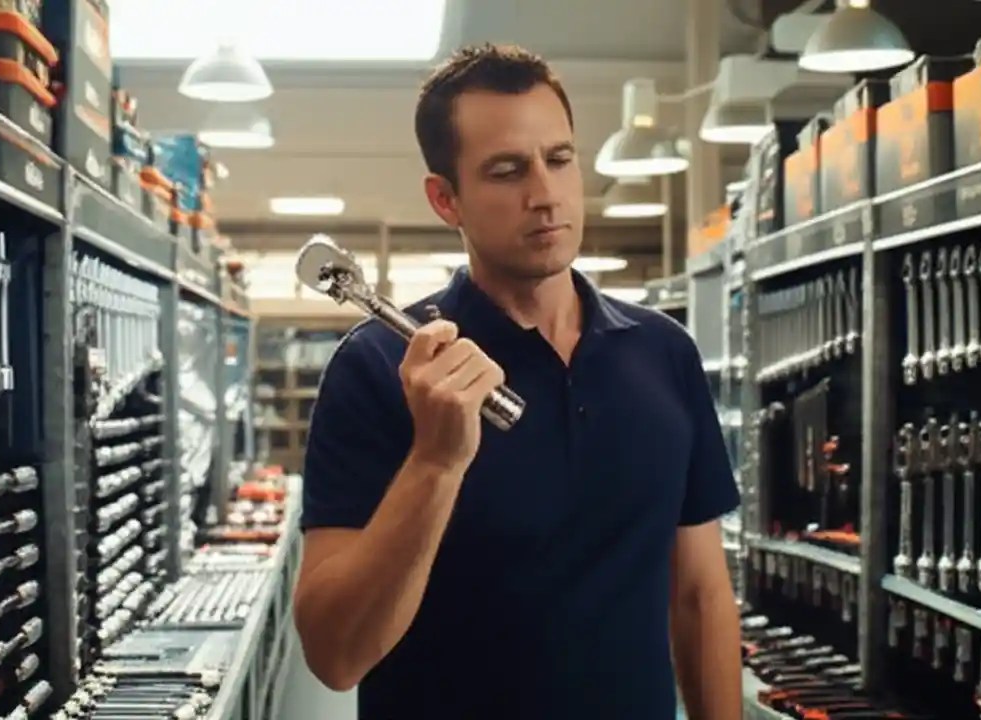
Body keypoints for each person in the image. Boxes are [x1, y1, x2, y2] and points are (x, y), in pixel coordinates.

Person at [293, 42, 743, 719]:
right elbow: (334, 656)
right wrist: (436, 461)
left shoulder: (663, 354)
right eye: (507, 171)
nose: (545, 195)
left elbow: (701, 597)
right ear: (446, 199)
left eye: (559, 159)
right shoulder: (379, 368)